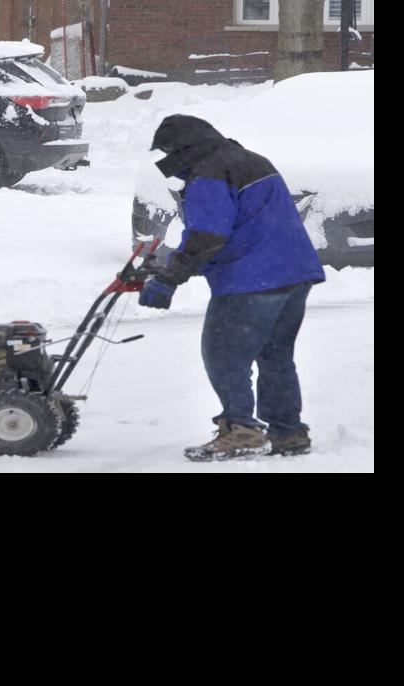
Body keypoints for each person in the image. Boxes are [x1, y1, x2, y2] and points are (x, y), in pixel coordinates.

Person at [138, 114, 326, 461]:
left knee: (223, 354)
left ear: (185, 147)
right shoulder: (251, 160)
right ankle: (288, 432)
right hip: (295, 273)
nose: (168, 160)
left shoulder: (209, 173)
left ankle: (241, 429)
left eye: (168, 150)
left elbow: (208, 234)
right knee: (275, 356)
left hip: (252, 280)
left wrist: (169, 278)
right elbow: (241, 224)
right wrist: (177, 265)